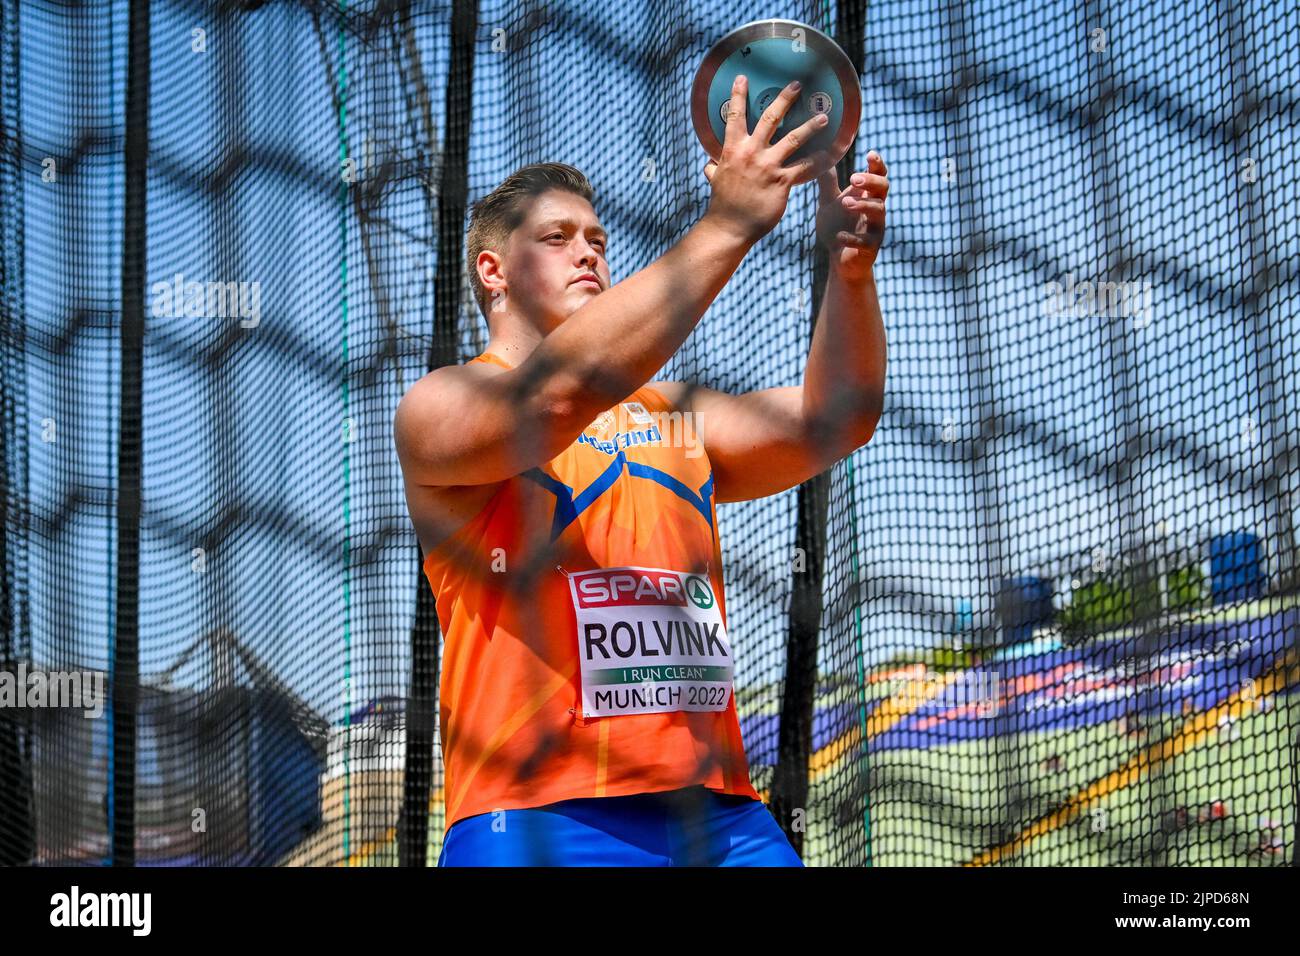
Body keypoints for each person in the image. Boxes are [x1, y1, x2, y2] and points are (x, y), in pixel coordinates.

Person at [394, 74, 889, 866]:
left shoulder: (671, 412)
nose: (587, 251)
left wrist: (849, 273)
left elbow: (837, 420)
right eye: (556, 238)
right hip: (538, 816)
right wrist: (728, 221)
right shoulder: (441, 403)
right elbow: (556, 396)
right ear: (492, 272)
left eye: (595, 239)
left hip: (721, 817)